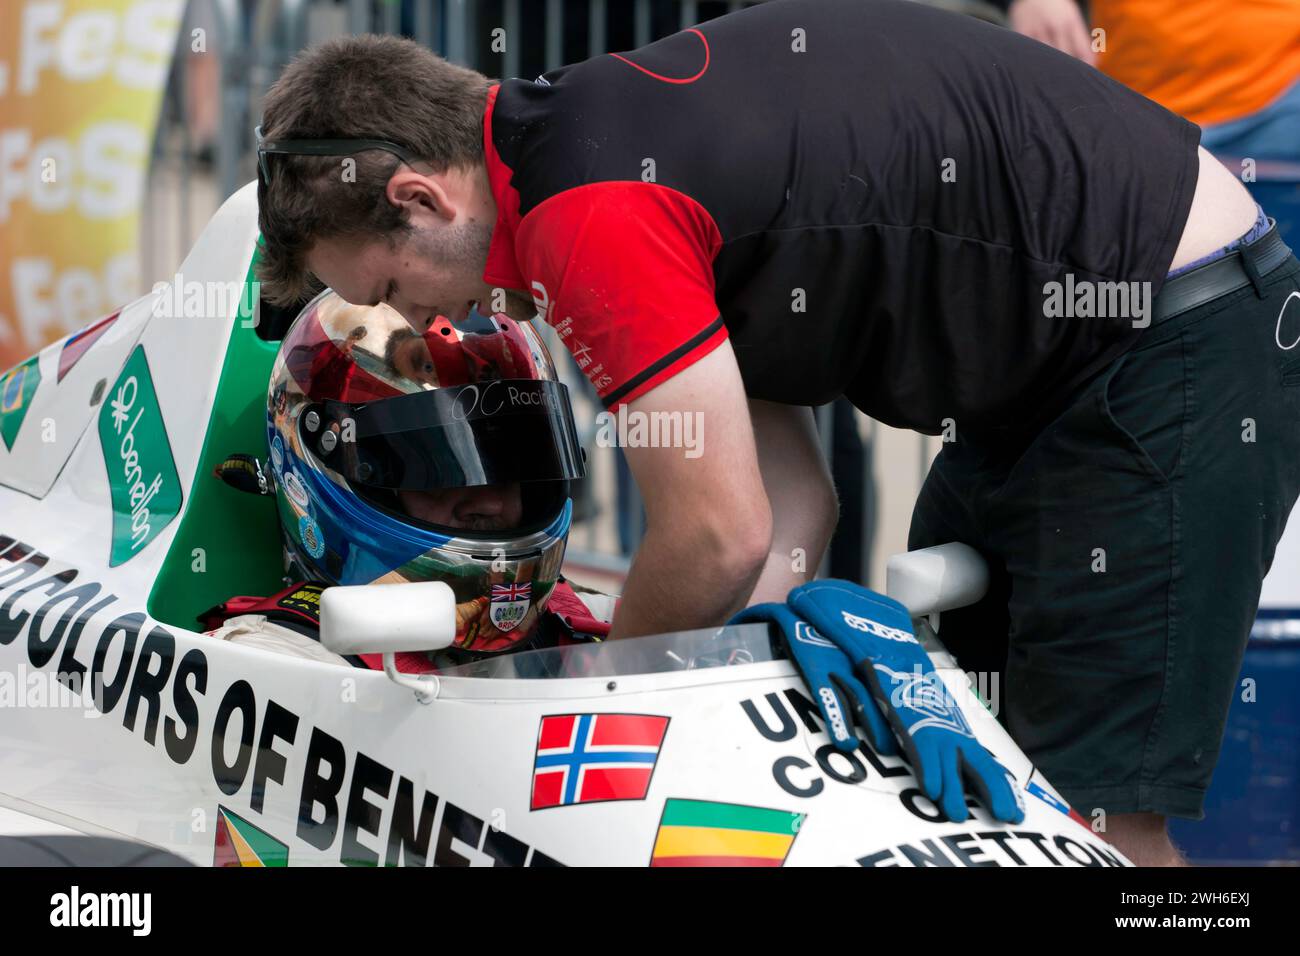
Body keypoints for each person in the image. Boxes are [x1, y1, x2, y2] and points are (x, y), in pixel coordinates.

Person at [251, 0, 1300, 865]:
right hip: (1069, 357)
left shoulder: (585, 211)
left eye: (391, 284)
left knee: (1085, 824)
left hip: (1166, 338)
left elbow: (717, 536)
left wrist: (580, 719)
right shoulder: (589, 146)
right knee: (955, 776)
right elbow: (790, 515)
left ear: (418, 196)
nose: (446, 311)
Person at [202, 291, 614, 671]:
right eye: (438, 471)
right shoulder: (269, 665)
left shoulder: (619, 627)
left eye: (517, 467)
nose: (490, 503)